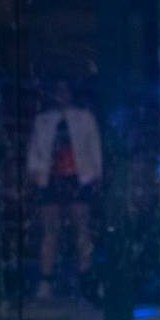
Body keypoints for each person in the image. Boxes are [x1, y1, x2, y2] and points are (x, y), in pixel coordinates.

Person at [27, 80, 102, 300]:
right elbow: (35, 150)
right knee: (51, 231)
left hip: (78, 178)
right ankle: (46, 280)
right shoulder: (43, 121)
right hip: (50, 179)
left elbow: (93, 146)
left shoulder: (84, 118)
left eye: (64, 90)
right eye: (57, 90)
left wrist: (97, 173)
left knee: (82, 229)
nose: (61, 94)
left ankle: (85, 278)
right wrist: (34, 171)